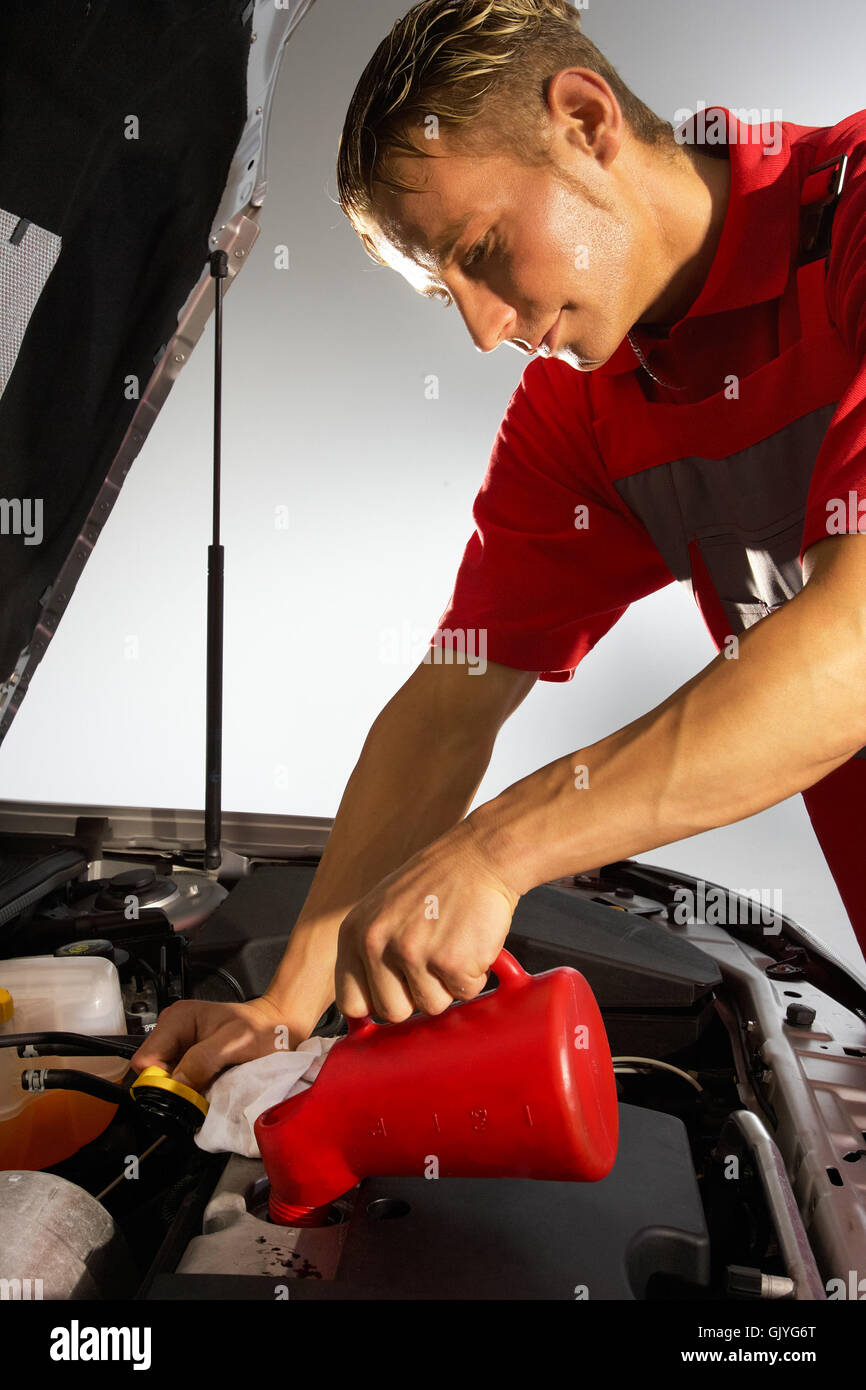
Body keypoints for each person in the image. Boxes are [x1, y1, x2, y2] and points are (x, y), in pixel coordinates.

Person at [132, 0, 866, 1093]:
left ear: (583, 118)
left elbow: (848, 655)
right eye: (444, 289)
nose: (480, 329)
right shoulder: (580, 415)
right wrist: (289, 1008)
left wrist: (499, 848)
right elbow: (449, 707)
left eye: (481, 252)